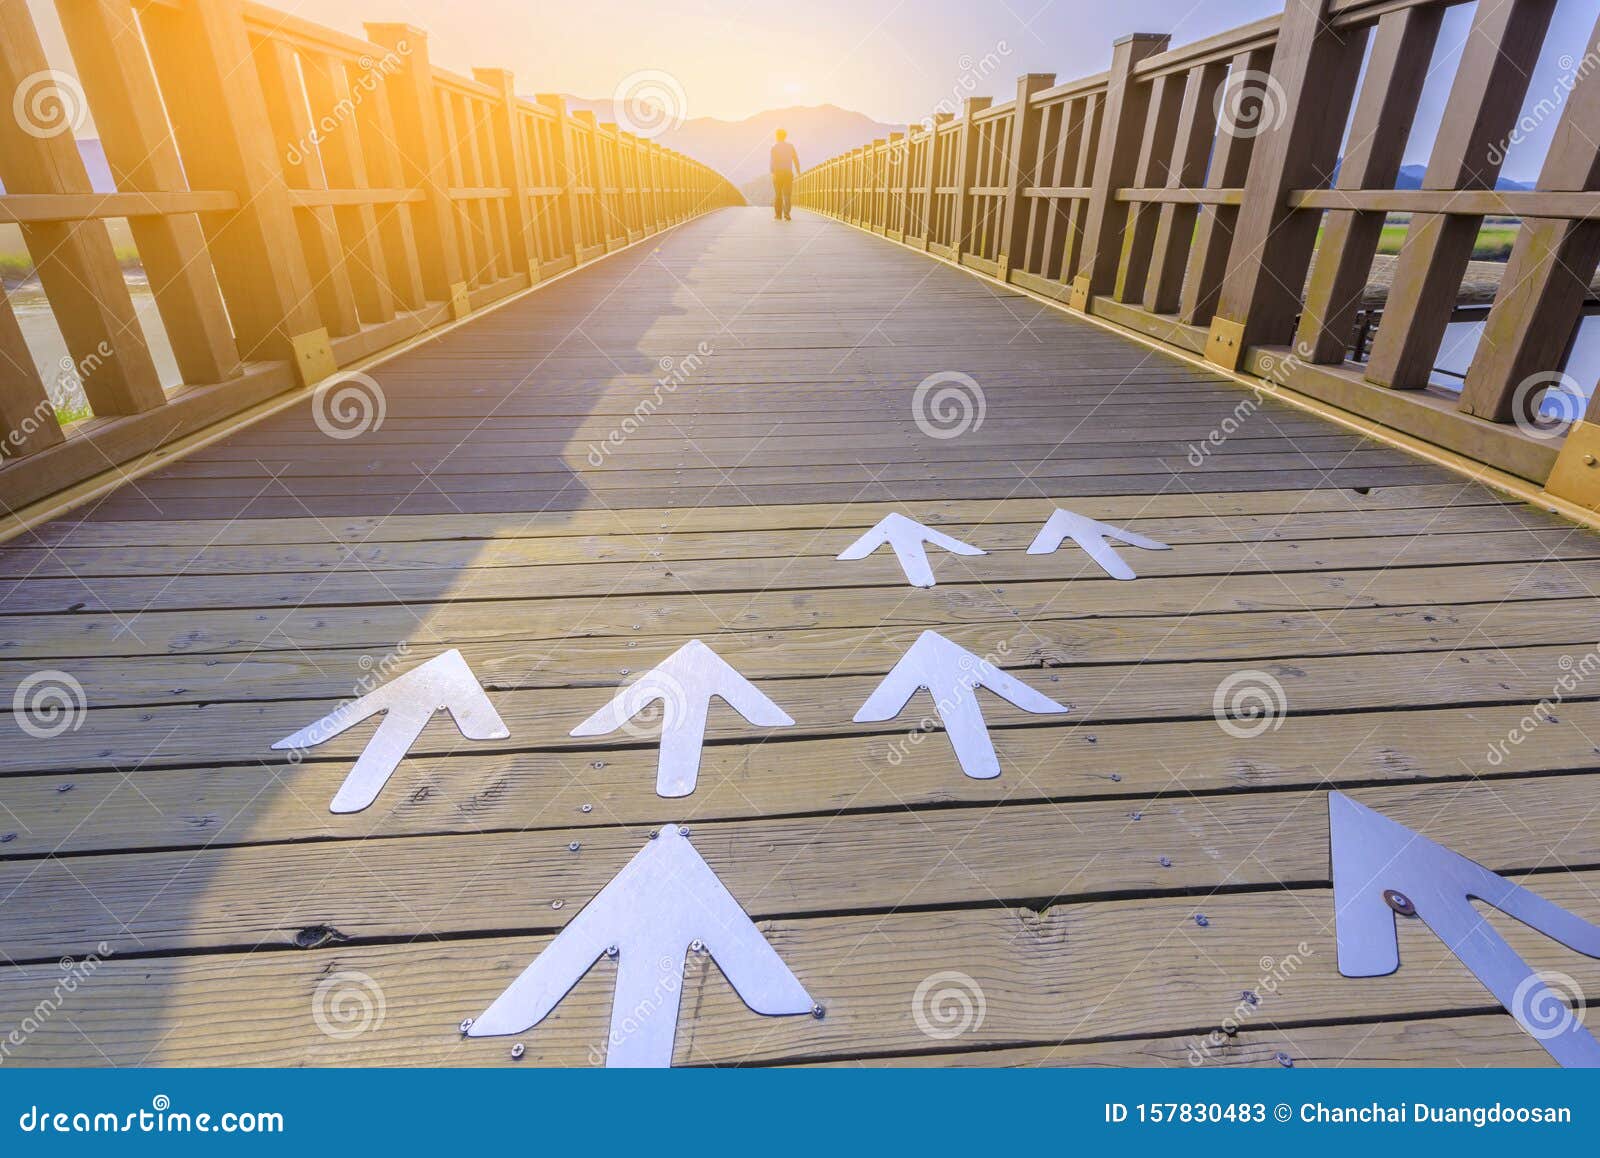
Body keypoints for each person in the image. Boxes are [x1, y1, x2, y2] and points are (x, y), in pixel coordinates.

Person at [770, 128, 799, 221]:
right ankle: (787, 214)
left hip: (777, 173)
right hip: (787, 173)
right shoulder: (790, 146)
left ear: (777, 137)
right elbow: (795, 159)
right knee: (787, 194)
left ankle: (778, 215)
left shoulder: (774, 147)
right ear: (785, 136)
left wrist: (772, 172)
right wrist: (798, 171)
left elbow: (772, 161)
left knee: (778, 194)